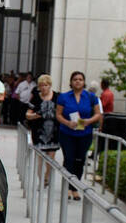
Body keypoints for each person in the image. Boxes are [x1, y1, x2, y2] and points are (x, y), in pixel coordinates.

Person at [55, 71, 102, 200]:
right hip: (67, 133)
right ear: (71, 82)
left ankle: (75, 188)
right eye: (75, 79)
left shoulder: (91, 97)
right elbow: (58, 115)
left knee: (80, 160)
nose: (78, 81)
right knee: (69, 159)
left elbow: (98, 114)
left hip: (84, 133)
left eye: (80, 79)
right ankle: (67, 188)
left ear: (84, 82)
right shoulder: (64, 97)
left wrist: (89, 121)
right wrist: (67, 123)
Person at [24, 74, 59, 185]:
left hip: (54, 131)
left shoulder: (57, 97)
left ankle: (47, 176)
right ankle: (41, 179)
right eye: (42, 85)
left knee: (51, 158)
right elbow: (27, 115)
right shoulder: (35, 97)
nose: (44, 87)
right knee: (40, 158)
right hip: (39, 132)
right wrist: (36, 115)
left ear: (50, 85)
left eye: (46, 85)